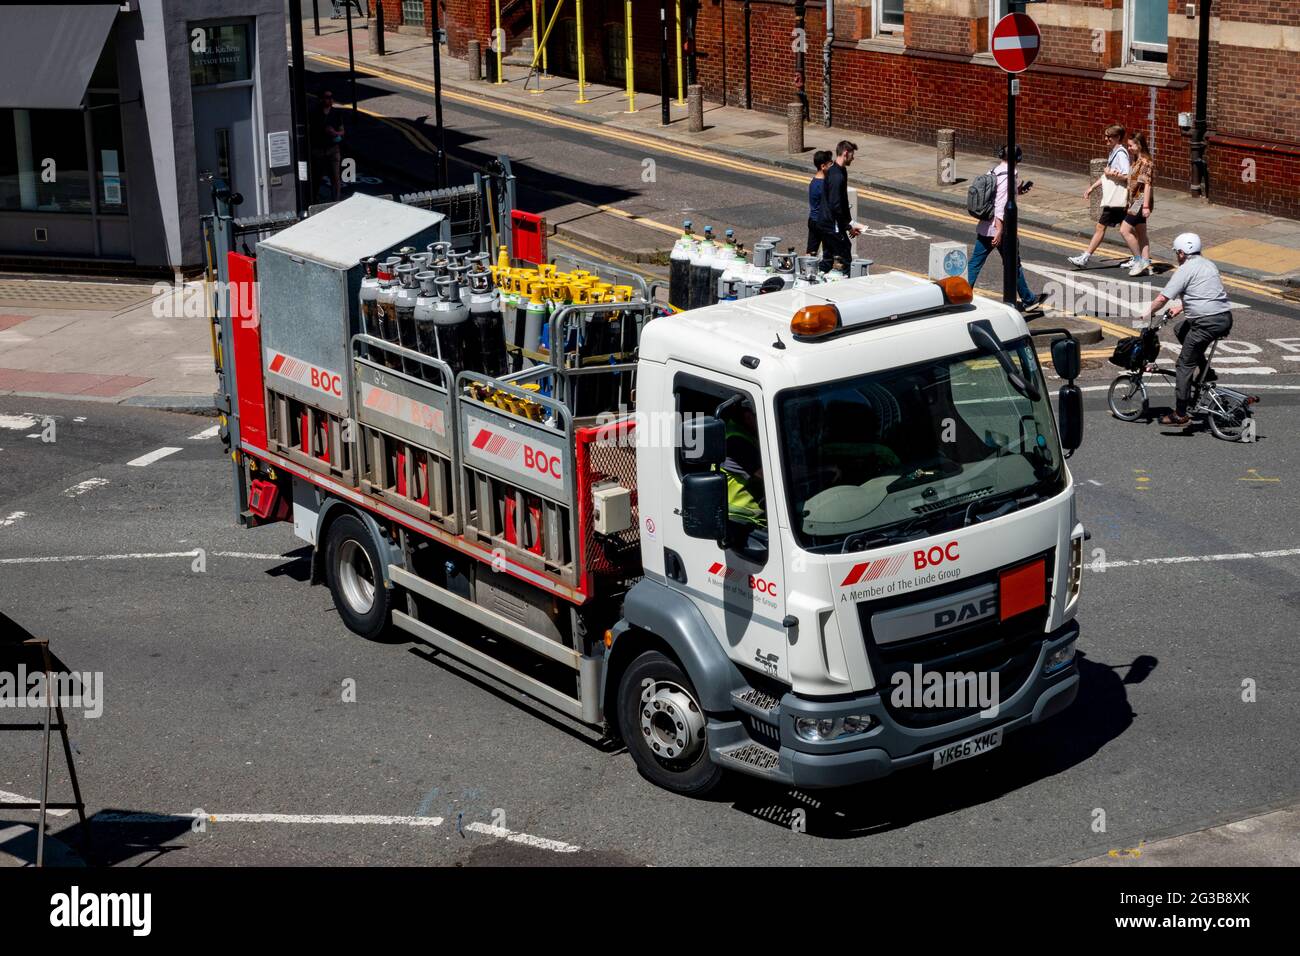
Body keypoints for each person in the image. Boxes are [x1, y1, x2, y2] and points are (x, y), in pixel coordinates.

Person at [1137, 232, 1232, 426]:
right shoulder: (1208, 264)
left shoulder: (1185, 269)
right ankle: (1206, 370)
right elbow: (1205, 291)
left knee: (1183, 365)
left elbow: (1163, 298)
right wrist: (1181, 307)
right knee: (1181, 329)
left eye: (1176, 253)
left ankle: (1180, 413)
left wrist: (1148, 312)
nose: (1176, 256)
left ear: (1181, 253)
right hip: (1224, 318)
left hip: (1206, 323)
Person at [967, 144, 1039, 312]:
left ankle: (961, 296)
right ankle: (1028, 300)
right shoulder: (1008, 176)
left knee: (975, 263)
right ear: (1018, 159)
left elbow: (997, 195)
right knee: (1013, 263)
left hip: (985, 227)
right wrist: (999, 230)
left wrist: (1018, 191)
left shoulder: (994, 171)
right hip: (1000, 229)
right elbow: (1000, 204)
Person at [1068, 124, 1131, 268]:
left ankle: (1085, 257)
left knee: (1101, 227)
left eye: (1109, 136)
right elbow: (1106, 175)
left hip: (1116, 199)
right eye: (1106, 136)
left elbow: (1127, 175)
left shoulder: (1120, 154)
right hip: (1116, 199)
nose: (1106, 139)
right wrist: (1092, 187)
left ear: (1118, 137)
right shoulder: (1113, 152)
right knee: (1127, 230)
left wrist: (1110, 173)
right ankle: (1140, 257)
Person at [720, 403, 767, 550]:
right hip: (743, 522)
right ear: (748, 416)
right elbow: (769, 478)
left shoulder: (744, 432)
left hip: (753, 516)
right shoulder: (736, 440)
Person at [819, 140, 864, 272]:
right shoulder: (836, 176)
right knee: (845, 256)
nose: (853, 157)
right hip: (831, 224)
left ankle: (816, 280)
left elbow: (843, 201)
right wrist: (848, 227)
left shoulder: (841, 171)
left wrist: (851, 222)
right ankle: (845, 284)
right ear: (845, 153)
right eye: (852, 154)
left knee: (828, 259)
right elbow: (835, 206)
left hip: (829, 223)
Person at [1119, 131, 1155, 277]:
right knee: (1141, 232)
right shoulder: (1137, 160)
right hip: (1135, 201)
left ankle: (1138, 260)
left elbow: (1147, 185)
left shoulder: (1146, 162)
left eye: (1130, 145)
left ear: (1139, 145)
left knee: (1124, 230)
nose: (1129, 148)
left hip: (1140, 202)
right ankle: (1146, 263)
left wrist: (1145, 206)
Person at [309, 90, 345, 201]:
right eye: (327, 97)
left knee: (335, 178)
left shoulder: (336, 113)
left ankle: (336, 201)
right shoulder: (315, 113)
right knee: (317, 177)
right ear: (321, 99)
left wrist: (334, 133)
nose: (330, 99)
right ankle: (314, 200)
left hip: (333, 149)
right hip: (319, 150)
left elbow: (342, 131)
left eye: (331, 97)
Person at [805, 149, 833, 261]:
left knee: (811, 252)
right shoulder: (823, 185)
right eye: (830, 164)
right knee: (829, 253)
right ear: (823, 166)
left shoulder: (814, 181)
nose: (831, 166)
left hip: (813, 220)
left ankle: (806, 269)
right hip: (823, 222)